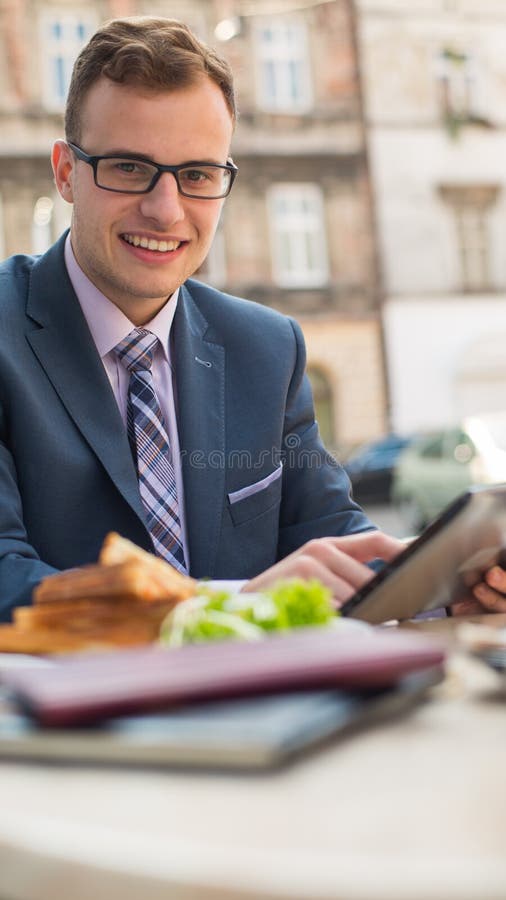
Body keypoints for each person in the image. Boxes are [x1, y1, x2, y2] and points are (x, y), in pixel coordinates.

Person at [0, 16, 500, 621]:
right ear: (65, 172)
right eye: (129, 167)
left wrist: (442, 592)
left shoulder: (267, 346)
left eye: (197, 175)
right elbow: (7, 576)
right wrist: (225, 605)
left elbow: (329, 537)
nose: (166, 210)